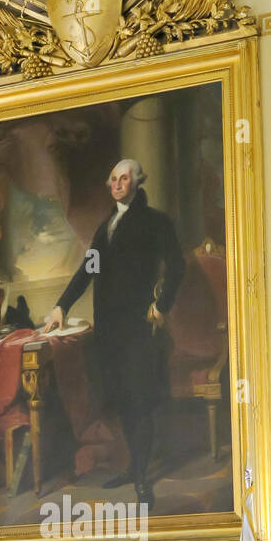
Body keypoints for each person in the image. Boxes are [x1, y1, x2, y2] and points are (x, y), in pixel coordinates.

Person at [43, 158, 185, 509]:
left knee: (140, 402)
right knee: (121, 400)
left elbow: (177, 265)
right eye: (113, 179)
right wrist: (62, 306)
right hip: (110, 331)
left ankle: (141, 478)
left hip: (138, 328)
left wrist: (161, 306)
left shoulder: (155, 223)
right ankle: (133, 466)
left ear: (137, 183)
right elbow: (87, 270)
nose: (118, 183)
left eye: (124, 178)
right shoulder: (106, 227)